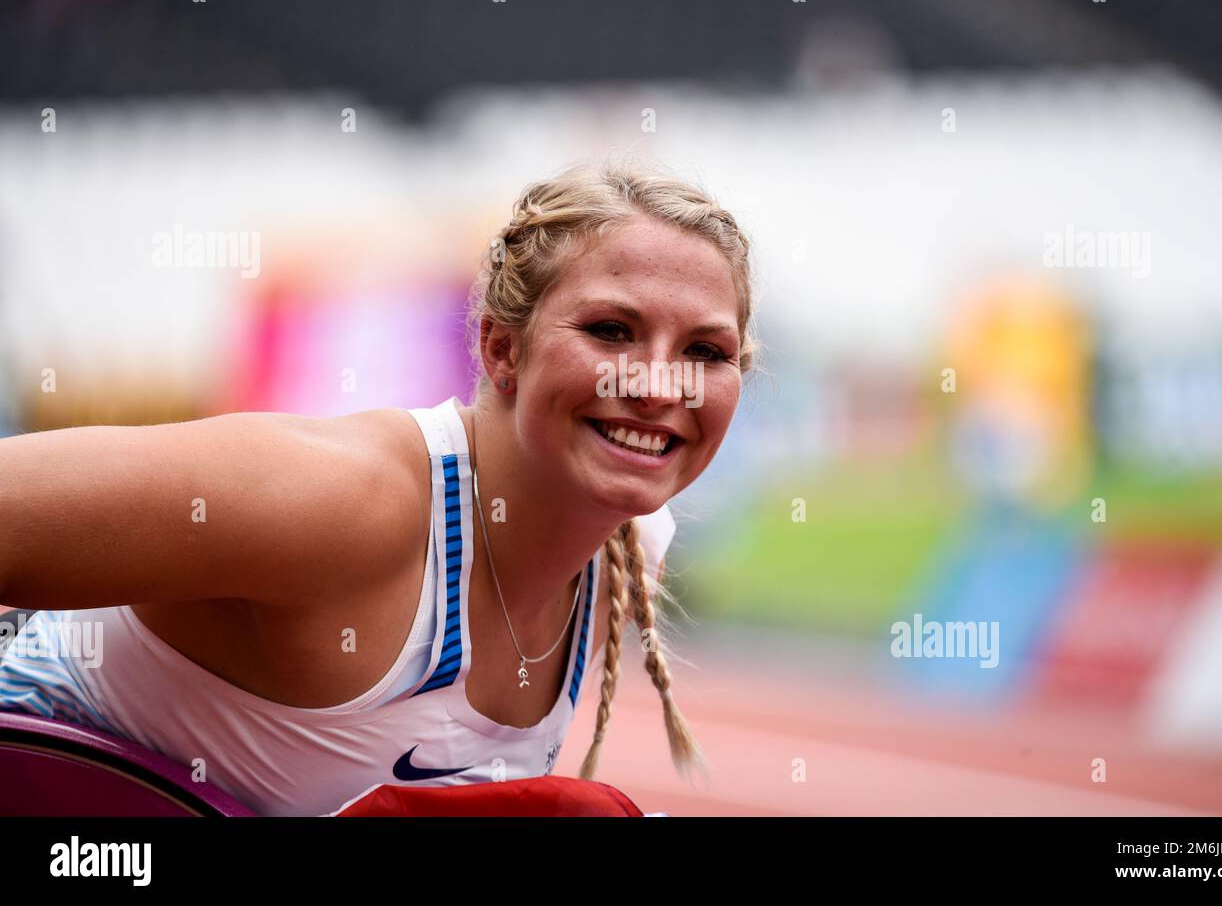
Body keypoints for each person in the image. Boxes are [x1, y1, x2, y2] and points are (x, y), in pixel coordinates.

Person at [0, 155, 760, 815]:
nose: (661, 385)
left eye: (705, 349)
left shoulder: (627, 552)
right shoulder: (341, 501)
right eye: (610, 331)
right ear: (502, 349)